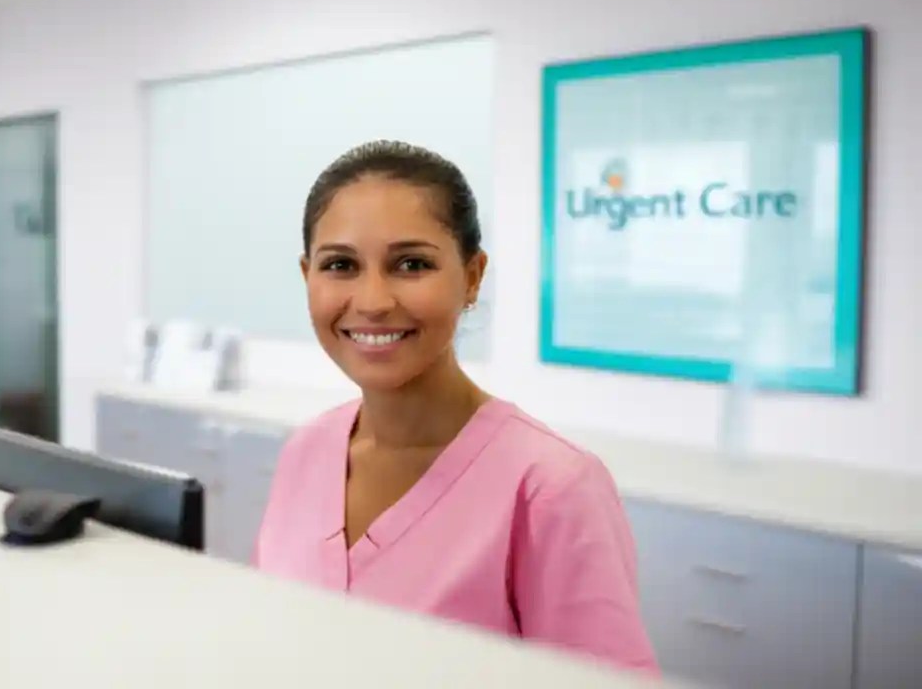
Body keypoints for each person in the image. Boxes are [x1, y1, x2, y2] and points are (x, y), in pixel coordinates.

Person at [253, 140, 658, 674]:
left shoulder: (552, 488)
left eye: (411, 264)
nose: (373, 300)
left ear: (471, 276)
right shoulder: (306, 451)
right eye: (341, 265)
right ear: (308, 275)